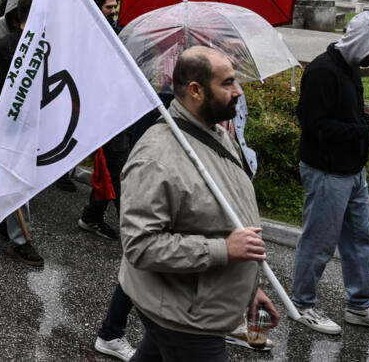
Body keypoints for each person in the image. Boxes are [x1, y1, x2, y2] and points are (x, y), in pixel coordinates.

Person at [119, 46, 279, 361]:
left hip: (198, 301)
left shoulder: (216, 133)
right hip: (186, 318)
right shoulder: (156, 157)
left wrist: (248, 290)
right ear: (195, 90)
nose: (238, 91)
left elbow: (227, 216)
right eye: (228, 83)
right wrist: (224, 250)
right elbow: (140, 245)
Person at [290, 11, 369, 334]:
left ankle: (359, 306)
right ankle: (302, 305)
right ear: (362, 42)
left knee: (360, 241)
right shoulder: (321, 72)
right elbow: (316, 127)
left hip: (353, 171)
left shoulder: (350, 68)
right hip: (326, 171)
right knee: (319, 241)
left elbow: (352, 117)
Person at [0, 0, 43, 266]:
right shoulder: (5, 47)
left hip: (37, 124)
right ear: (22, 18)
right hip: (11, 126)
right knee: (19, 178)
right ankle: (21, 240)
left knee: (24, 177)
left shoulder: (47, 46)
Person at [78, 0, 127, 240]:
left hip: (119, 110)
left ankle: (92, 216)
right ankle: (132, 230)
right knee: (118, 168)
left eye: (115, 7)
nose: (113, 12)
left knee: (110, 168)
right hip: (103, 114)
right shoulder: (88, 37)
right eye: (109, 7)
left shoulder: (114, 33)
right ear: (97, 7)